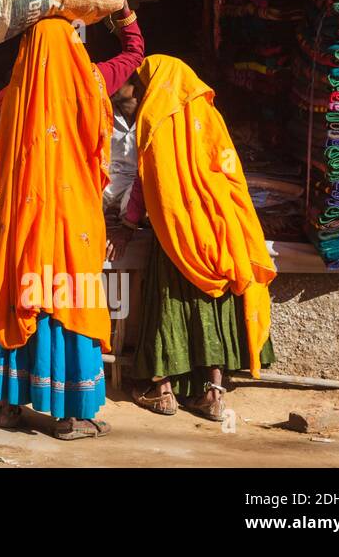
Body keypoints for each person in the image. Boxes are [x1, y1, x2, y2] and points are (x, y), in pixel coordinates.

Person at [0, 3, 143, 440]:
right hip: (72, 224)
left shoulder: (8, 98)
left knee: (22, 296)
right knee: (67, 301)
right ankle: (70, 415)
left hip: (22, 222)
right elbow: (135, 55)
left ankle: (9, 408)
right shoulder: (89, 83)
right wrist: (124, 14)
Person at [114, 55, 276, 421]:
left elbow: (145, 181)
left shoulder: (155, 121)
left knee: (167, 308)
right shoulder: (208, 115)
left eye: (140, 83)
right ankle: (213, 394)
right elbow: (229, 171)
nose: (137, 91)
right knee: (212, 310)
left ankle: (162, 390)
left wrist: (127, 225)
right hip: (217, 231)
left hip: (175, 234)